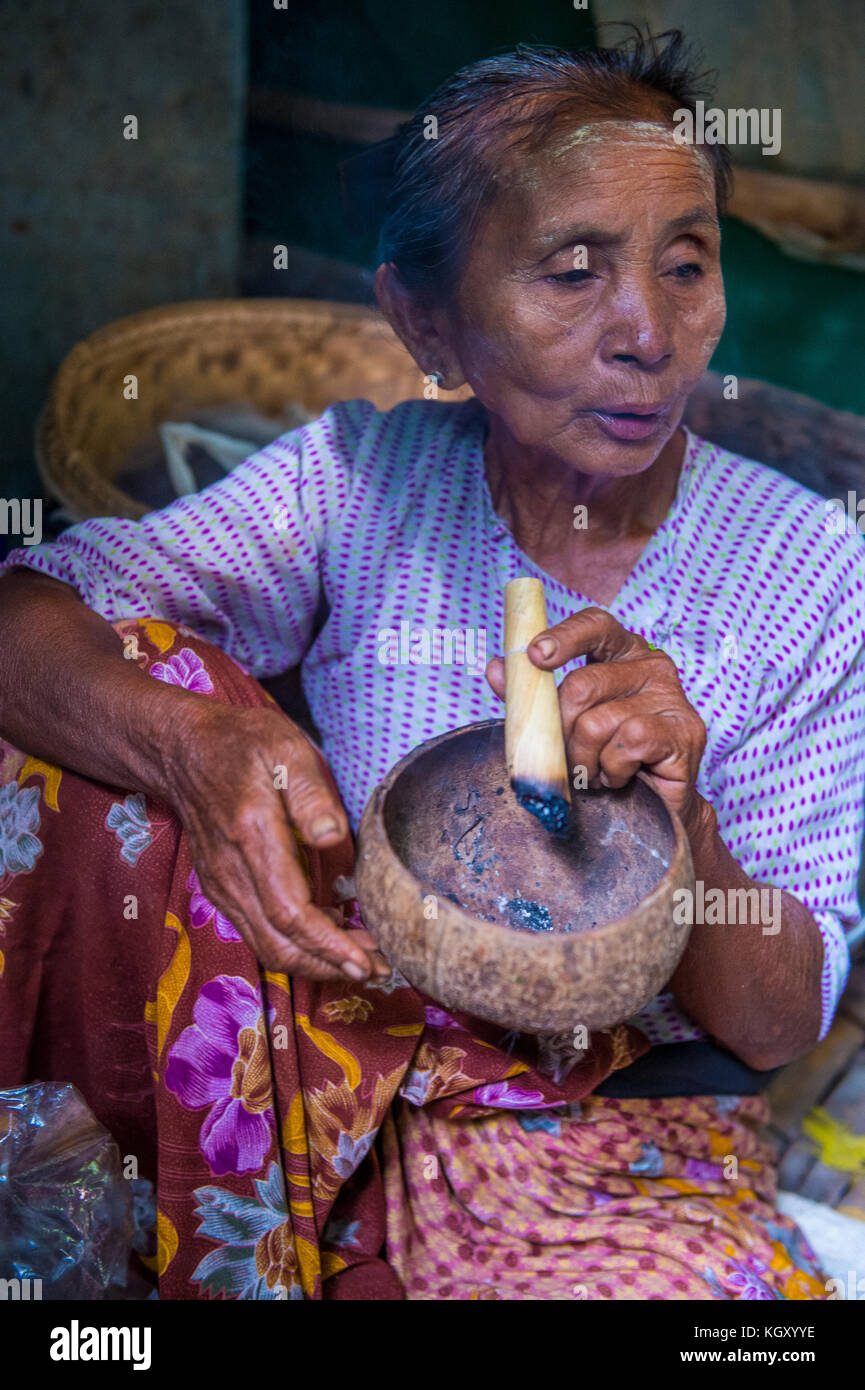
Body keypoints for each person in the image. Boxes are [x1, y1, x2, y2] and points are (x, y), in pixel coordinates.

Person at [1, 31, 862, 1301]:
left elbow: (780, 1021)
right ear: (427, 320)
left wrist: (686, 827)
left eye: (687, 264)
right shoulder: (360, 481)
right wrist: (195, 745)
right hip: (312, 1064)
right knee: (114, 706)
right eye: (572, 272)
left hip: (606, 1144)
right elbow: (29, 614)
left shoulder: (806, 570)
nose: (647, 330)